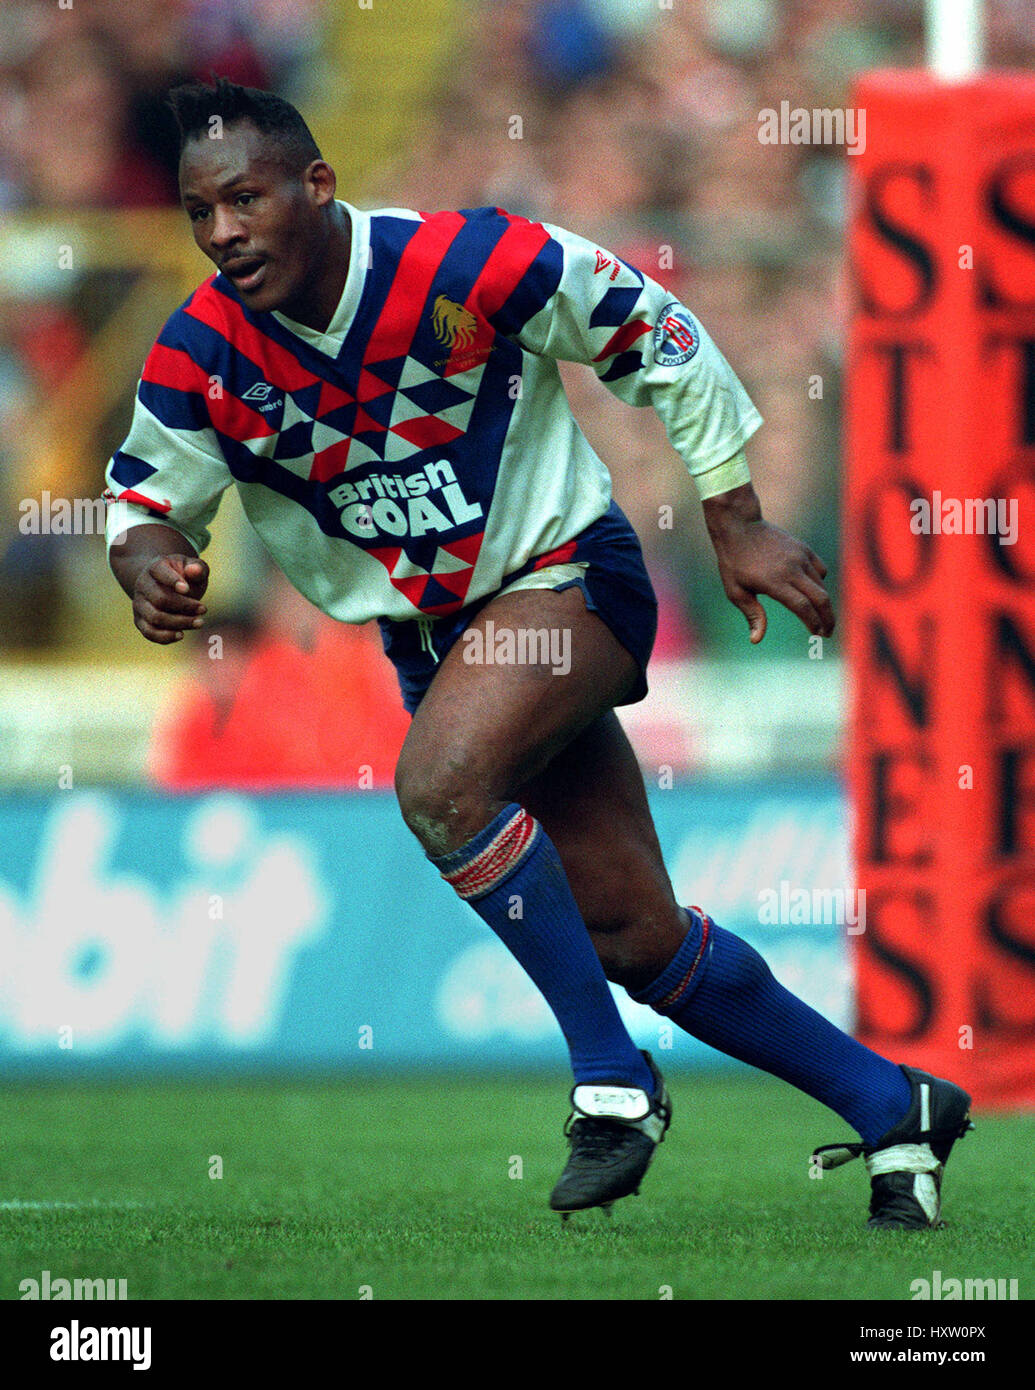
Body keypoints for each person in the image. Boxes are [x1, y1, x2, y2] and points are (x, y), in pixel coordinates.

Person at [104, 78, 972, 1226]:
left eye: (245, 199)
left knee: (440, 785)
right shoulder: (199, 351)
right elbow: (139, 495)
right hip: (433, 643)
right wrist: (147, 558)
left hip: (569, 581)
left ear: (318, 184)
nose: (221, 233)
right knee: (633, 933)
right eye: (198, 213)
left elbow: (654, 330)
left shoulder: (469, 263)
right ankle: (894, 1104)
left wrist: (736, 520)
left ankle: (614, 1087)